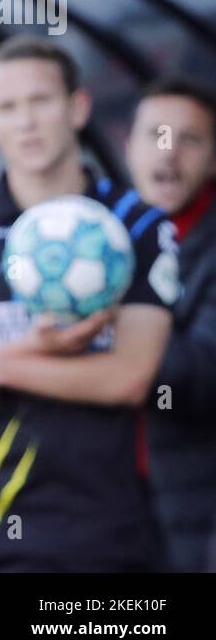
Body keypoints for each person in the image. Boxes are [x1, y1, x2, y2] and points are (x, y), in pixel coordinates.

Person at [0, 37, 177, 572]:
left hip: (105, 533)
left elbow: (129, 377)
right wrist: (32, 351)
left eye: (41, 101)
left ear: (78, 107)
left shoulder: (137, 224)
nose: (26, 121)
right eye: (9, 107)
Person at [125, 74, 216, 571]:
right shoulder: (98, 231)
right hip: (104, 502)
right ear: (129, 146)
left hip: (193, 510)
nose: (168, 153)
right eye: (155, 135)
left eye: (190, 139)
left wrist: (110, 315)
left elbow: (202, 376)